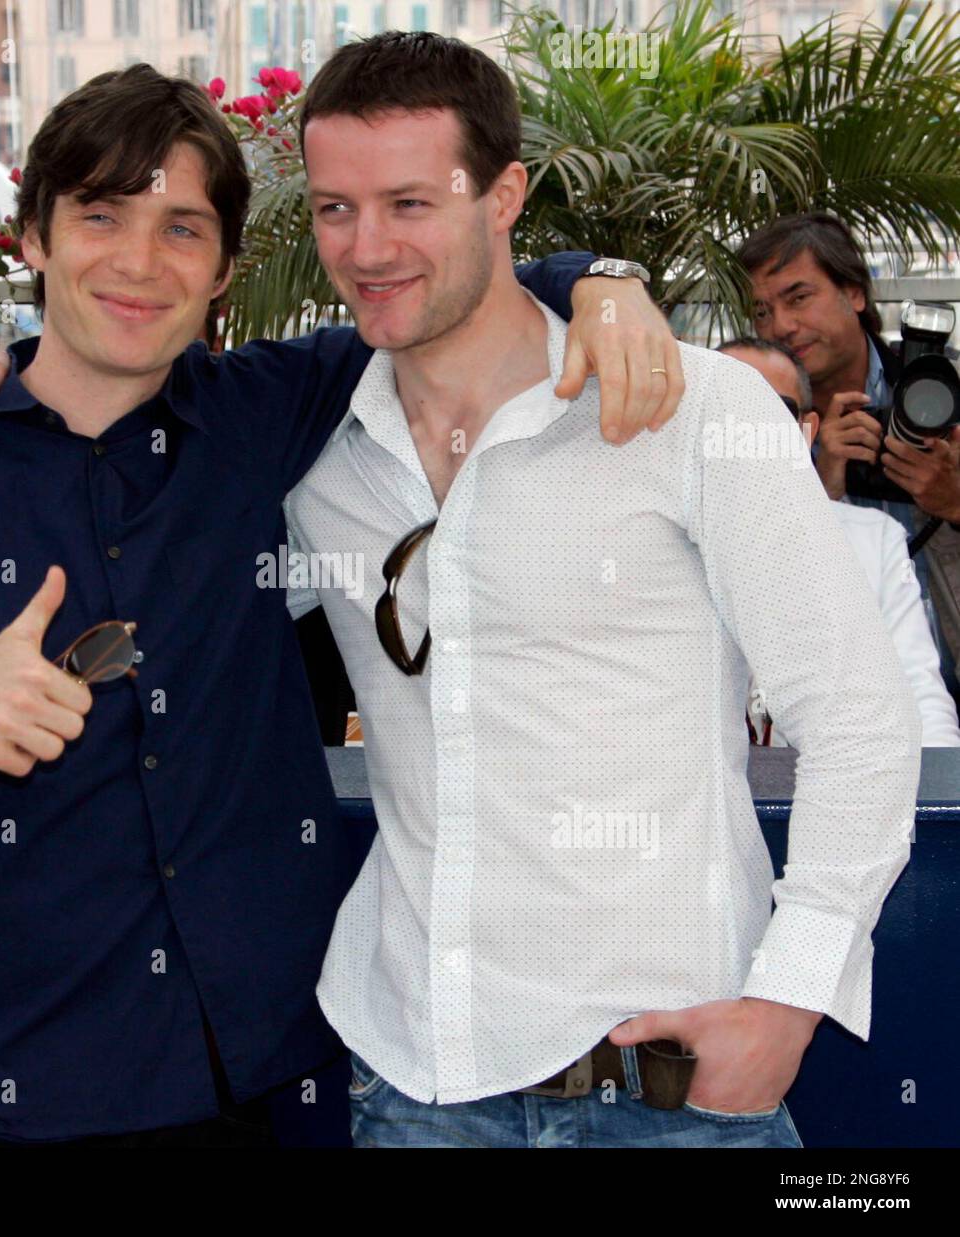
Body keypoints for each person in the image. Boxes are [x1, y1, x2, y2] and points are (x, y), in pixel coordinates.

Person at [0, 62, 684, 1147]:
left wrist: (603, 278)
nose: (138, 263)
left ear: (225, 267)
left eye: (182, 229)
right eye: (100, 215)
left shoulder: (269, 413)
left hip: (239, 1083)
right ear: (32, 237)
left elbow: (449, 282)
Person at [276, 33, 918, 1148]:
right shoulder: (311, 452)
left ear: (504, 196)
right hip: (412, 1084)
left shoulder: (698, 411)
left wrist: (788, 1002)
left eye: (409, 203)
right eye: (335, 208)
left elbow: (859, 717)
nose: (366, 247)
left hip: (667, 1098)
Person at [740, 212, 960, 695]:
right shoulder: (754, 420)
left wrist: (954, 502)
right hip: (834, 699)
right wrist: (820, 485)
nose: (781, 326)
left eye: (798, 298)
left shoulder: (941, 391)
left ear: (854, 294)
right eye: (761, 311)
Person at [717, 336, 960, 747]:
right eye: (721, 409)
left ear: (805, 431)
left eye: (772, 411)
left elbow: (920, 705)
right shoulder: (640, 540)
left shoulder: (873, 540)